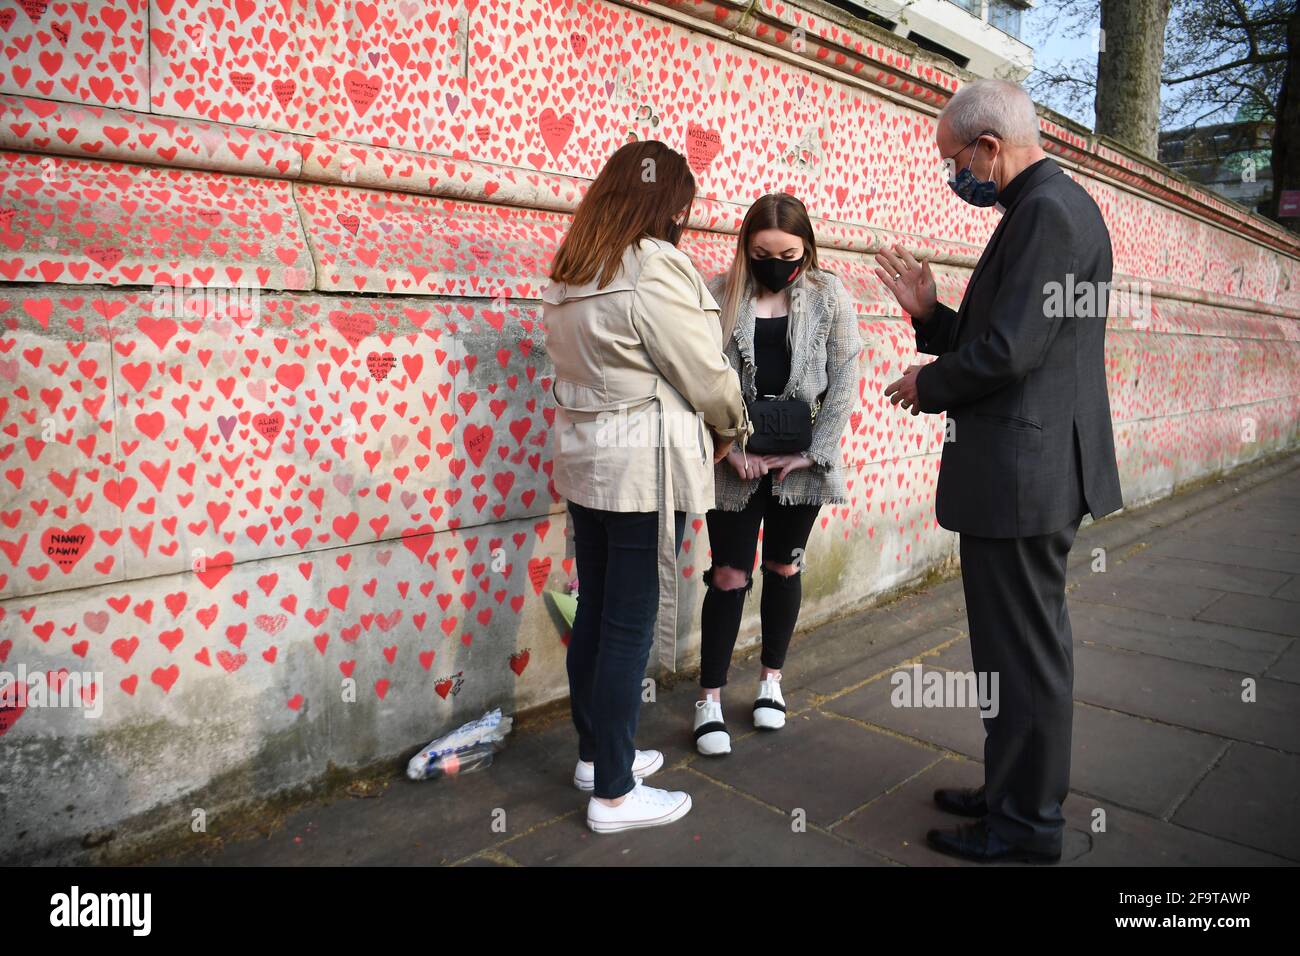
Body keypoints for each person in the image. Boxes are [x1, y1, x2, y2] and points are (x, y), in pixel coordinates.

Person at [876, 78, 1123, 863]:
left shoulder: (1047, 213)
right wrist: (931, 318)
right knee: (1011, 655)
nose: (954, 175)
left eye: (956, 160)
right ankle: (1012, 792)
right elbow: (1011, 337)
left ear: (989, 147)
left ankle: (1025, 829)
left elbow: (1011, 353)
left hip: (1027, 473)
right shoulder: (1044, 208)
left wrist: (927, 382)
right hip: (1028, 468)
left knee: (1023, 660)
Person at [542, 140, 751, 833]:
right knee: (626, 620)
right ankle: (613, 795)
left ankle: (597, 755)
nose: (683, 223)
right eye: (681, 210)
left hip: (587, 461)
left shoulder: (575, 266)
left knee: (596, 609)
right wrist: (732, 427)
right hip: (641, 471)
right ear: (665, 204)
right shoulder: (654, 267)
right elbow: (706, 372)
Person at [693, 193, 863, 755]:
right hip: (734, 464)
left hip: (799, 463)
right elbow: (696, 378)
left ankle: (771, 683)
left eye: (788, 252)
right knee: (728, 575)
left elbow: (845, 376)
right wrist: (724, 446)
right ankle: (709, 700)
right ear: (745, 248)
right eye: (762, 252)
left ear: (807, 248)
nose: (776, 263)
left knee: (784, 567)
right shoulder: (719, 294)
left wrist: (816, 453)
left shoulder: (829, 294)